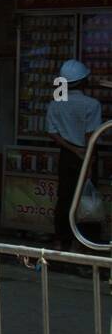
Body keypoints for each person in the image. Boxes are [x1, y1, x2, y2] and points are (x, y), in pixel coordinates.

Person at [46, 59, 103, 252]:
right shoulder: (92, 104)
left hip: (67, 155)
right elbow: (90, 136)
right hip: (86, 153)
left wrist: (71, 149)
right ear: (83, 81)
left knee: (65, 198)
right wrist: (87, 158)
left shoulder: (56, 103)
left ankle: (60, 241)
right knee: (86, 200)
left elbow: (52, 132)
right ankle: (84, 243)